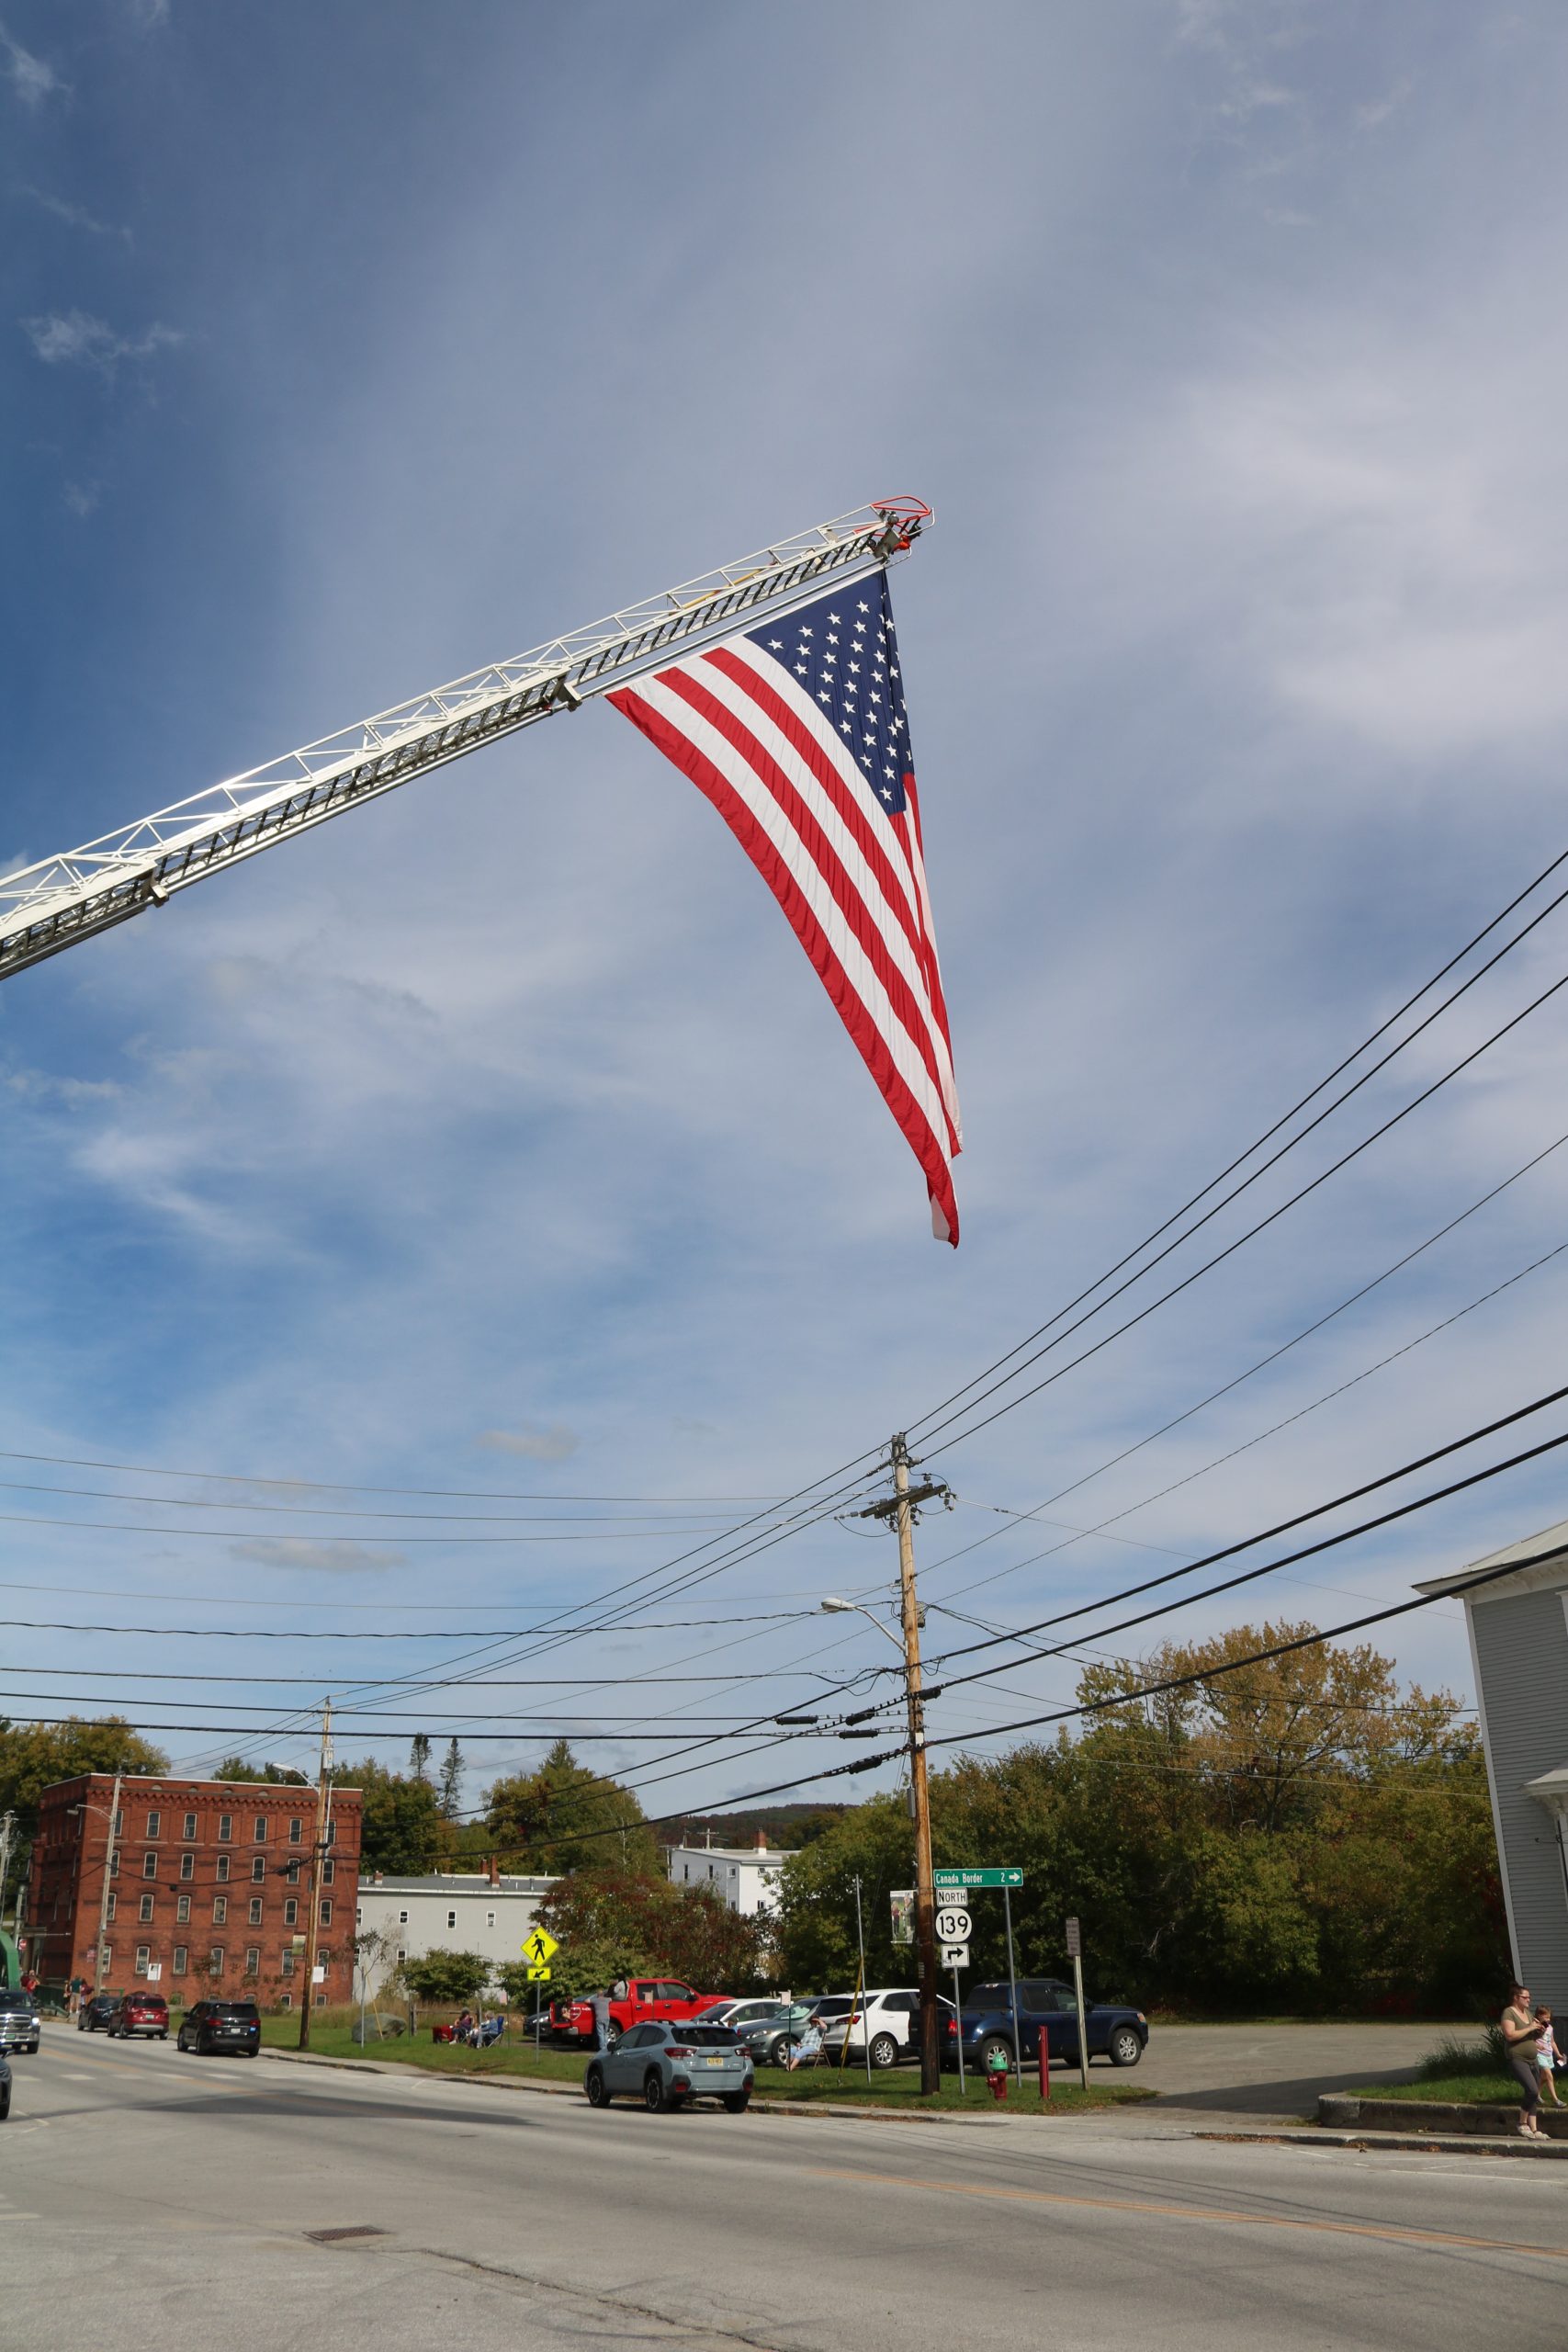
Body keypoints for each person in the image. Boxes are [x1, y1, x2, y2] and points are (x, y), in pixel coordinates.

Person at [1502, 1984, 1544, 2136]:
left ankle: (1534, 2129)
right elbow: (1510, 2035)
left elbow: (1530, 2036)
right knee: (1532, 2090)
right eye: (1525, 1997)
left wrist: (1539, 2032)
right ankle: (1521, 2123)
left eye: (1529, 1997)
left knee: (1534, 2094)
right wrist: (1530, 2028)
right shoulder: (1509, 2013)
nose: (1529, 2000)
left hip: (1533, 2059)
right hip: (1517, 2057)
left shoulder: (1527, 2013)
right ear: (1516, 1997)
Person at [1534, 2006, 1562, 2109]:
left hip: (1548, 2055)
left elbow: (1552, 2042)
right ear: (1539, 2016)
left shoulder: (1550, 2028)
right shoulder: (1535, 2027)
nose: (1548, 2020)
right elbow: (1530, 2039)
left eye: (1549, 2018)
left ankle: (1536, 2095)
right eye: (1545, 2018)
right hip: (1539, 2054)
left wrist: (1558, 2054)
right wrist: (1537, 2046)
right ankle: (1555, 2100)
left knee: (1544, 2078)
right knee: (1549, 2076)